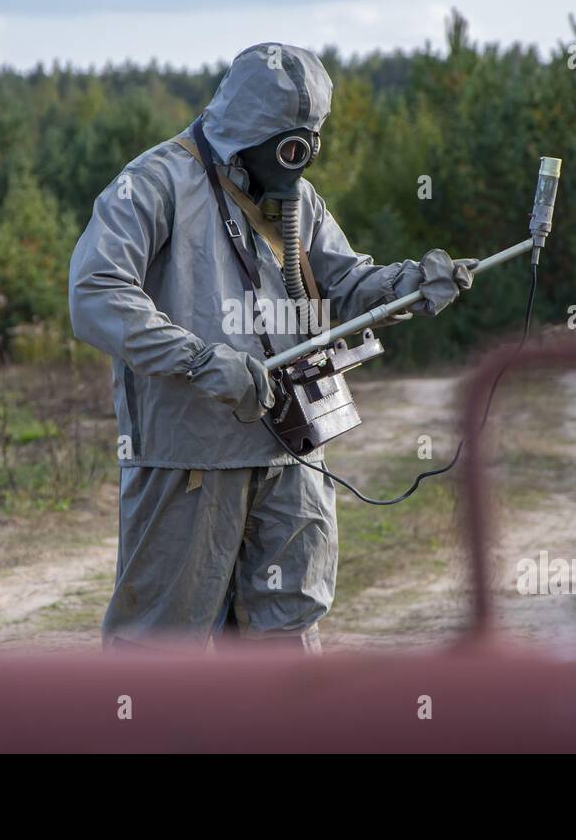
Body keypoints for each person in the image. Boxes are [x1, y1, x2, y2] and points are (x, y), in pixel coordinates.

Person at [69, 43, 474, 654]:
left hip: (291, 451)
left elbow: (347, 282)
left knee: (287, 628)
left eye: (309, 142)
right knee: (162, 644)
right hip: (192, 458)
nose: (301, 159)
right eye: (289, 145)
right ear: (247, 131)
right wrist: (200, 361)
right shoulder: (157, 183)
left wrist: (410, 284)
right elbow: (96, 292)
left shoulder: (298, 203)